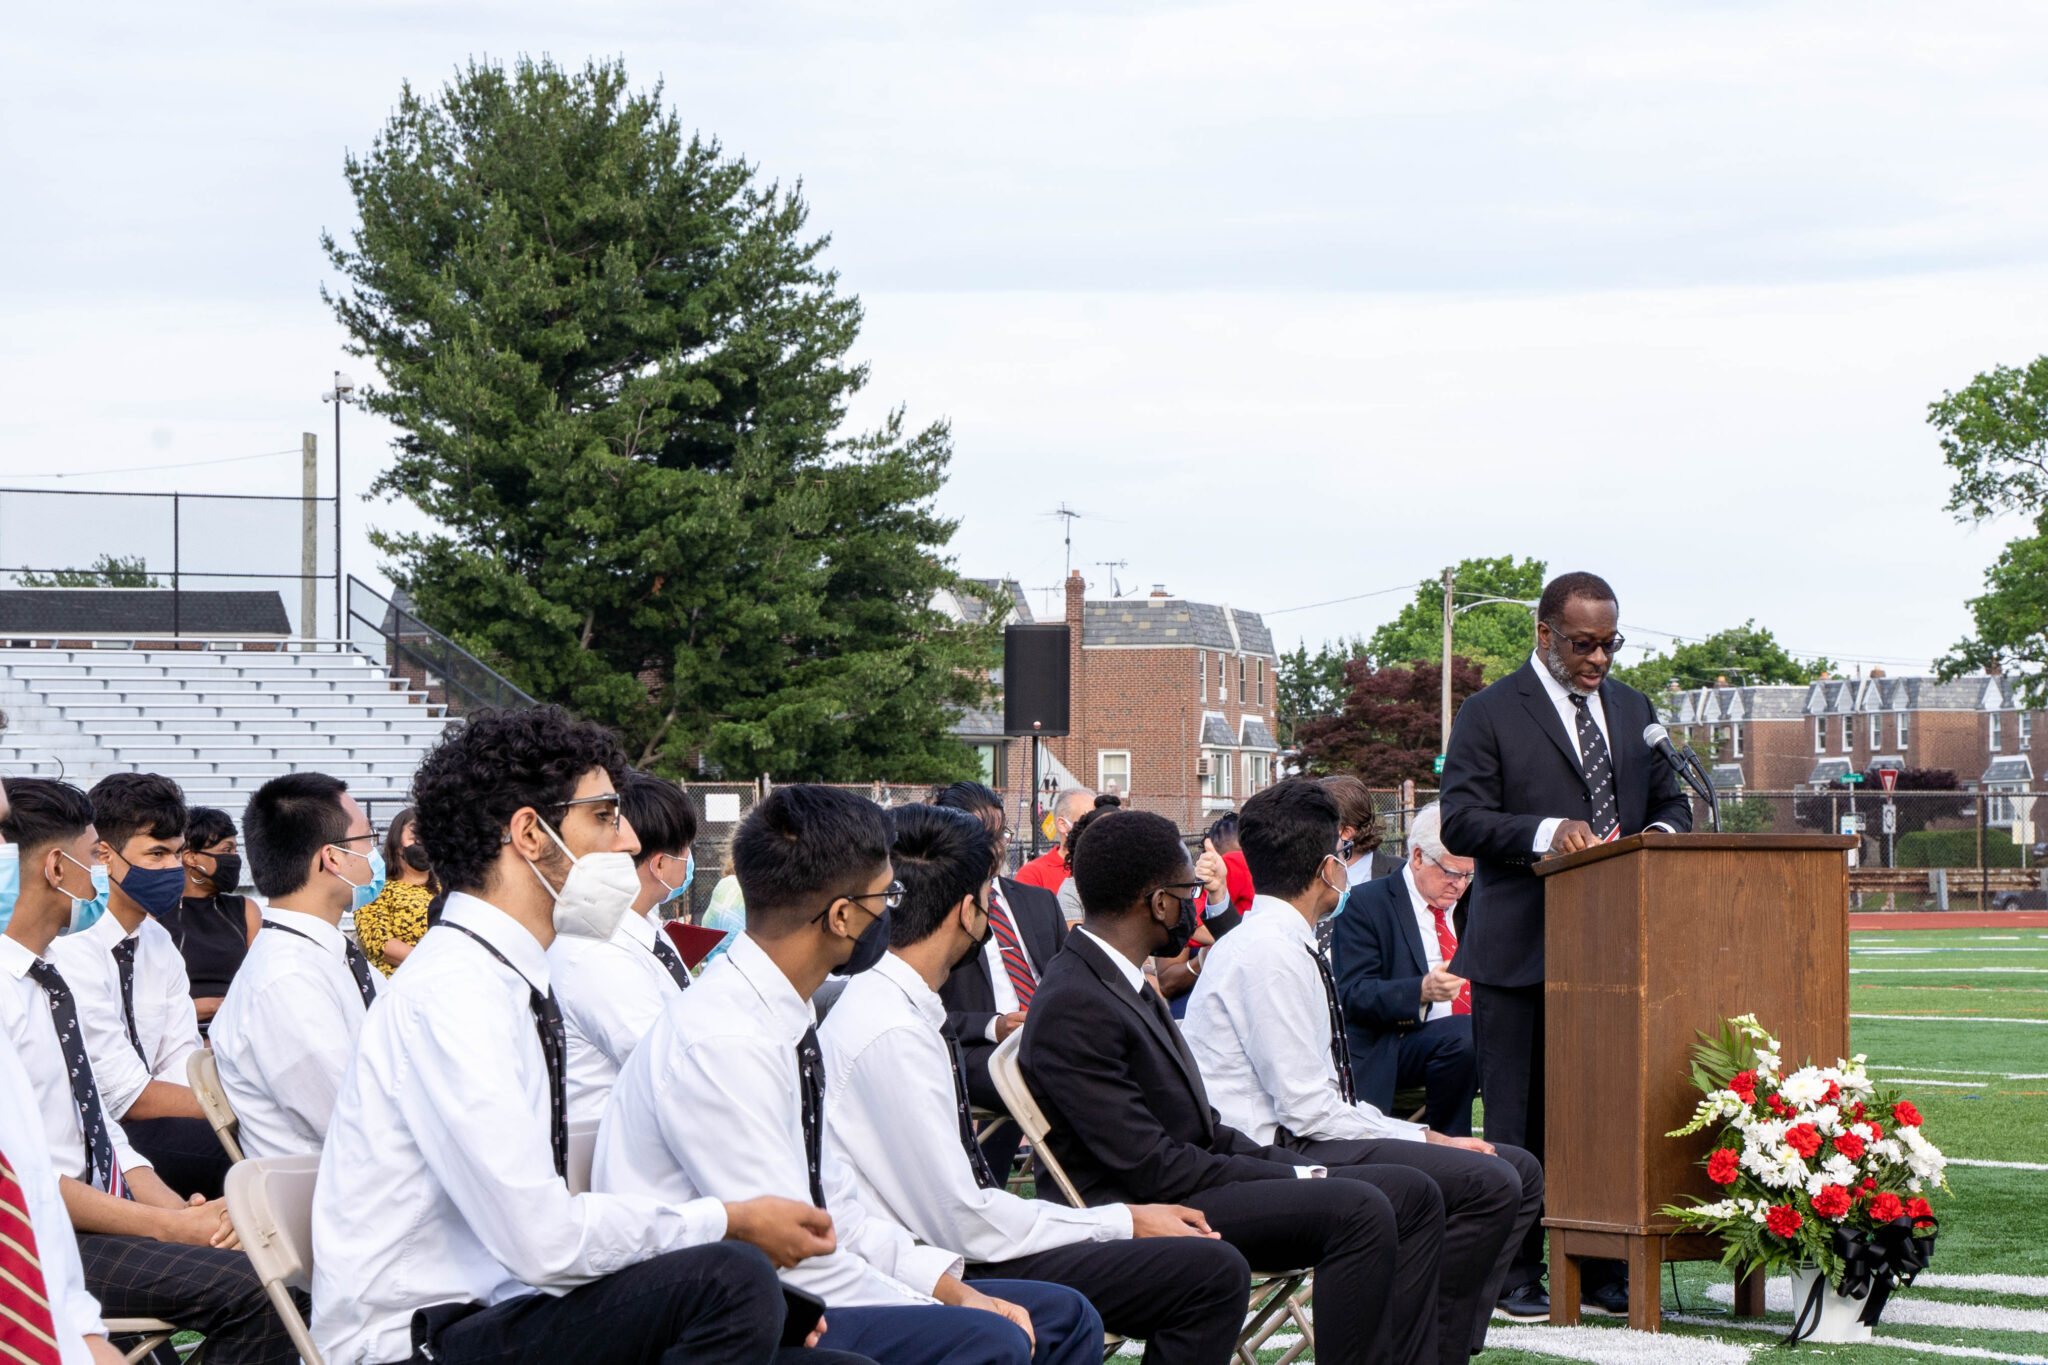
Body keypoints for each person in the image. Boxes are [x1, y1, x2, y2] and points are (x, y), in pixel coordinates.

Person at [312, 706, 826, 1365]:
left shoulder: (507, 976)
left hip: (506, 1311)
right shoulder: (454, 993)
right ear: (530, 832)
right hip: (415, 1343)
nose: (627, 843)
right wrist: (729, 1221)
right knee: (733, 1277)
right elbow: (544, 1242)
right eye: (606, 815)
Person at [598, 783, 1106, 1365]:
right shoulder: (726, 1040)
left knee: (1060, 1317)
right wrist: (938, 1308)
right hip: (724, 1324)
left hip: (800, 1284)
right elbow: (796, 1253)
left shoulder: (781, 1010)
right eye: (886, 897)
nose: (896, 912)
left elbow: (834, 1207)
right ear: (841, 917)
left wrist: (947, 1286)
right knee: (993, 1341)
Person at [823, 802, 1253, 1365]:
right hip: (947, 1258)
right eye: (990, 899)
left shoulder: (898, 1007)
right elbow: (963, 1223)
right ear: (969, 911)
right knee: (1208, 1273)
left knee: (1202, 1266)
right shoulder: (889, 1030)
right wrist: (1123, 1221)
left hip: (952, 1244)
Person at [1018, 807, 1443, 1365]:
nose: (1196, 903)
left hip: (1186, 1179)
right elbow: (1151, 1166)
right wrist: (1294, 1173)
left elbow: (1205, 1129)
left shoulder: (1120, 980)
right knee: (1358, 1208)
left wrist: (1290, 1169)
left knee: (1409, 1189)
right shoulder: (1078, 999)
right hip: (1145, 1206)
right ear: (1159, 902)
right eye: (1188, 889)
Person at [1188, 780, 1544, 1358]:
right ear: (1330, 866)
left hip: (1301, 1132)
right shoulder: (1269, 953)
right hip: (1273, 1150)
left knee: (1517, 1170)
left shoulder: (1283, 942)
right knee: (1489, 1179)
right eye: (1344, 856)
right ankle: (1419, 1351)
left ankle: (1431, 1347)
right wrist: (1423, 1134)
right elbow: (1309, 1113)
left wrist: (1421, 1135)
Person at [1438, 571, 1693, 1319]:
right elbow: (1460, 820)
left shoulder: (1635, 710)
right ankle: (1515, 1271)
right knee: (1518, 1120)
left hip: (1615, 954)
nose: (1599, 658)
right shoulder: (1489, 712)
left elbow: (1672, 799)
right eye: (1584, 643)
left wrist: (1661, 838)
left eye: (1610, 642)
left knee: (1607, 1113)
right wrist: (1548, 831)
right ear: (1544, 634)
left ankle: (1606, 1264)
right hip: (1519, 950)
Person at [0, 778, 296, 1365]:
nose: (100, 878)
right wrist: (165, 1227)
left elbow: (101, 1127)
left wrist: (177, 1211)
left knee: (280, 1266)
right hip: (46, 1237)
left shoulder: (47, 978)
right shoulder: (20, 991)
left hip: (94, 1209)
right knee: (265, 1291)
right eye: (92, 861)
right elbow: (31, 1179)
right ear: (58, 869)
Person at [48, 774, 227, 1201]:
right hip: (100, 1140)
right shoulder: (69, 945)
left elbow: (181, 1058)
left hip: (158, 1123)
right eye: (157, 853)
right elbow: (121, 1096)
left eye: (177, 853)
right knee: (253, 1142)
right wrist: (237, 1108)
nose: (173, 868)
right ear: (104, 856)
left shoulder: (157, 941)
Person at [209, 773, 383, 1159]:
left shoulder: (325, 952)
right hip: (340, 1195)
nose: (375, 852)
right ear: (333, 857)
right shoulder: (287, 980)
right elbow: (356, 1123)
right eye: (368, 839)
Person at [929, 781, 1065, 1173]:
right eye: (979, 834)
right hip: (975, 1048)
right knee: (1055, 1073)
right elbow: (923, 1011)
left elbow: (1062, 981)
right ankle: (1055, 1193)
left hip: (1046, 1037)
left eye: (1001, 833)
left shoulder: (1038, 903)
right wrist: (994, 1025)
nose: (995, 846)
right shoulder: (935, 914)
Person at [550, 771, 701, 1123]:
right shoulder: (596, 954)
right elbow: (673, 1069)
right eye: (685, 849)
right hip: (607, 1149)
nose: (689, 858)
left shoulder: (646, 930)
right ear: (660, 863)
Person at [1332, 803, 1480, 1139]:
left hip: (1475, 1032)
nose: (1460, 885)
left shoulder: (1475, 905)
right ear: (1417, 857)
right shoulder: (1366, 904)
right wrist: (1421, 991)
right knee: (1465, 1036)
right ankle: (1449, 1149)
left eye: (1469, 875)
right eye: (1451, 873)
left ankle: (1525, 1158)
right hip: (1397, 1041)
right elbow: (1353, 994)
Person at [0, 1028, 125, 1365]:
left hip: (51, 1293)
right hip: (85, 1228)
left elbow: (33, 1184)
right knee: (248, 1289)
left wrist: (83, 1335)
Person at [157, 805, 259, 1028]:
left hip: (238, 1032)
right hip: (178, 1035)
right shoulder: (155, 913)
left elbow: (261, 983)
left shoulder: (246, 909)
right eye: (226, 850)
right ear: (191, 858)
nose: (233, 859)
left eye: (234, 851)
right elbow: (147, 1004)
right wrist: (204, 1008)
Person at [353, 806, 435, 975]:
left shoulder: (449, 889)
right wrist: (435, 961)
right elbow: (380, 943)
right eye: (416, 837)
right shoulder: (376, 889)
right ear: (397, 845)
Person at [1011, 788, 1094, 893]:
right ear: (1062, 825)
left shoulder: (1106, 867)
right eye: (1087, 820)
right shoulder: (1034, 874)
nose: (1096, 827)